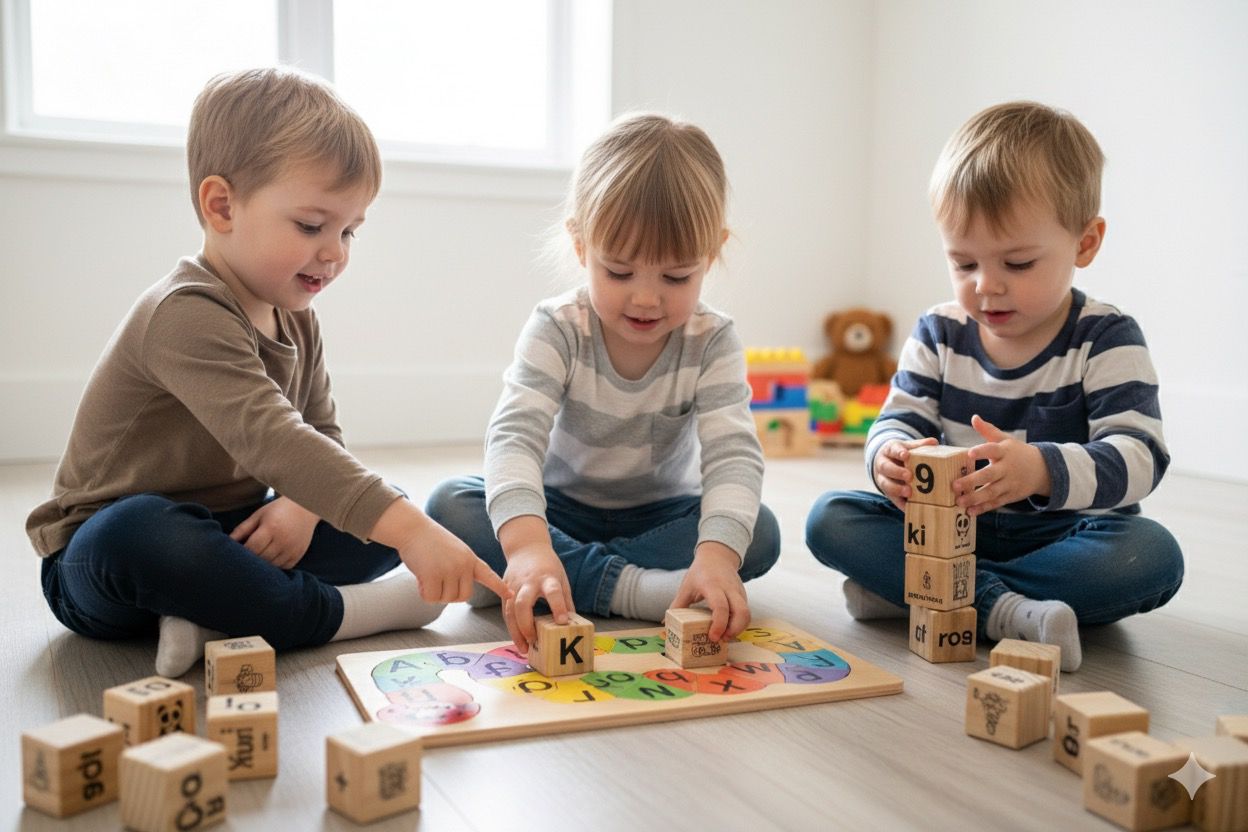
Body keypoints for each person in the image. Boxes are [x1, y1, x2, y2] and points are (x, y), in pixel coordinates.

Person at [26, 67, 508, 677]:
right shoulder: (184, 313)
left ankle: (214, 618)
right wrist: (412, 532)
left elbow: (321, 439)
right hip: (105, 555)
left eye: (349, 231)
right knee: (146, 535)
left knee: (374, 513)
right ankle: (336, 615)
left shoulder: (295, 315)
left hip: (238, 534)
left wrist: (301, 509)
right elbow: (272, 436)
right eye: (311, 226)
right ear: (222, 205)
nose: (334, 253)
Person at [805, 101, 1183, 671]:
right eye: (963, 264)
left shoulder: (1106, 337)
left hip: (1062, 535)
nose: (987, 287)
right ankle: (1004, 608)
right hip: (948, 528)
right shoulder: (940, 331)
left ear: (1085, 243)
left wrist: (1039, 470)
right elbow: (898, 417)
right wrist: (889, 456)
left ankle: (927, 595)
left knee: (1152, 555)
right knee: (830, 517)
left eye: (1019, 264)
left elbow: (1140, 456)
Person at [427, 114, 779, 652]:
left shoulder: (713, 340)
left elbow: (733, 455)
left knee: (759, 533)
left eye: (677, 277)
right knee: (451, 504)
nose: (646, 298)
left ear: (712, 253)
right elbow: (515, 437)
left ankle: (556, 581)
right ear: (580, 245)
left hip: (659, 518)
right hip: (558, 508)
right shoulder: (558, 327)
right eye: (619, 272)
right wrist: (526, 545)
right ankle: (625, 588)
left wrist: (715, 557)